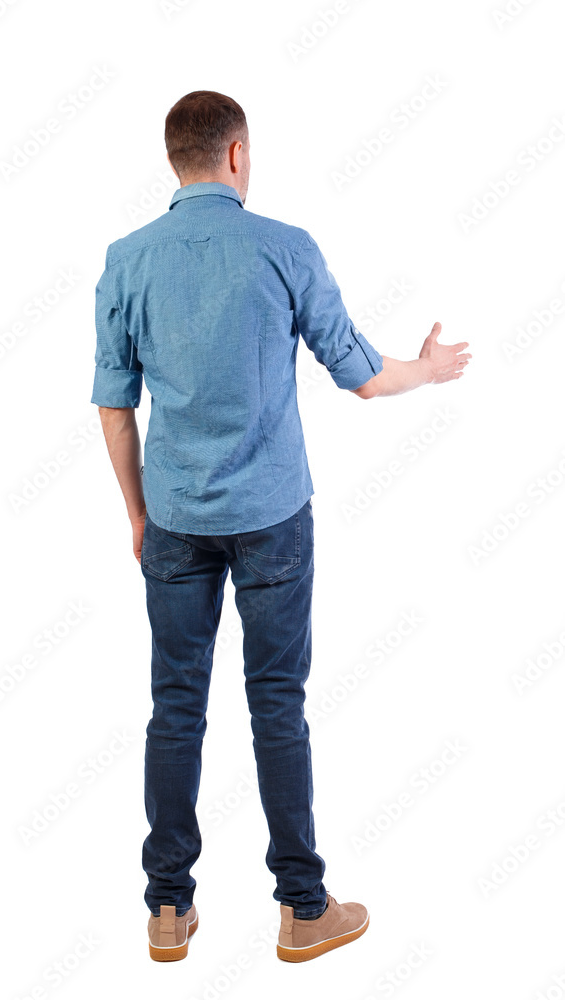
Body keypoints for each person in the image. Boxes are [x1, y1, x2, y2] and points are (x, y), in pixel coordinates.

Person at [90, 90, 472, 964]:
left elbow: (115, 408)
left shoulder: (126, 261)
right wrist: (431, 366)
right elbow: (364, 377)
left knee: (174, 709)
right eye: (249, 156)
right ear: (235, 155)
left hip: (176, 524)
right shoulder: (285, 249)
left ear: (176, 160)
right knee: (278, 708)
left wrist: (139, 516)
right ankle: (303, 909)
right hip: (272, 523)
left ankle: (167, 909)